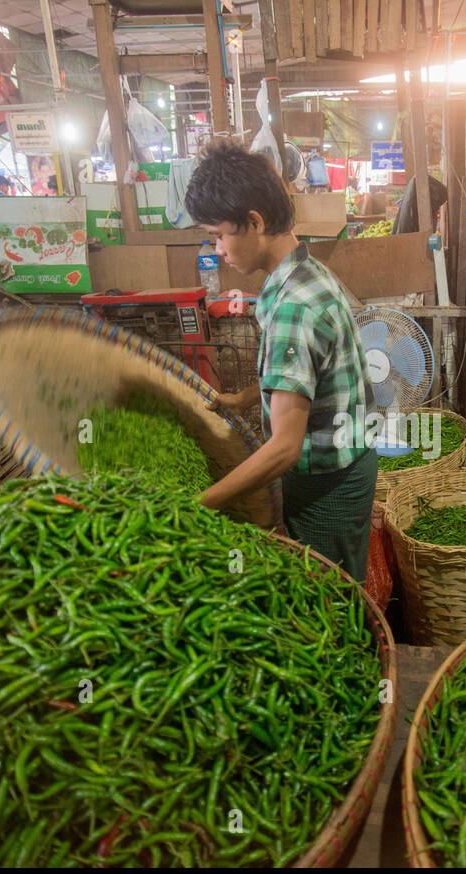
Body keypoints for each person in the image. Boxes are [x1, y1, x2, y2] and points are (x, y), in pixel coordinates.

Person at [185, 142, 378, 582]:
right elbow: (309, 374)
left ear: (254, 222)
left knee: (331, 599)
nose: (218, 249)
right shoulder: (307, 271)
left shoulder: (295, 306)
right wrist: (247, 397)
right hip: (346, 461)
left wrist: (201, 504)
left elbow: (285, 447)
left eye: (219, 234)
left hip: (326, 484)